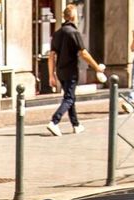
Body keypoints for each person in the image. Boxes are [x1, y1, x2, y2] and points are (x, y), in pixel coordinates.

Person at [47, 3, 106, 135]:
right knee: (69, 98)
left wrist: (51, 75)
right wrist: (97, 67)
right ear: (74, 17)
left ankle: (76, 124)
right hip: (71, 71)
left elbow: (51, 56)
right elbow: (83, 53)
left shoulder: (57, 33)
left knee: (69, 96)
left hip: (60, 71)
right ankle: (54, 121)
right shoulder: (74, 33)